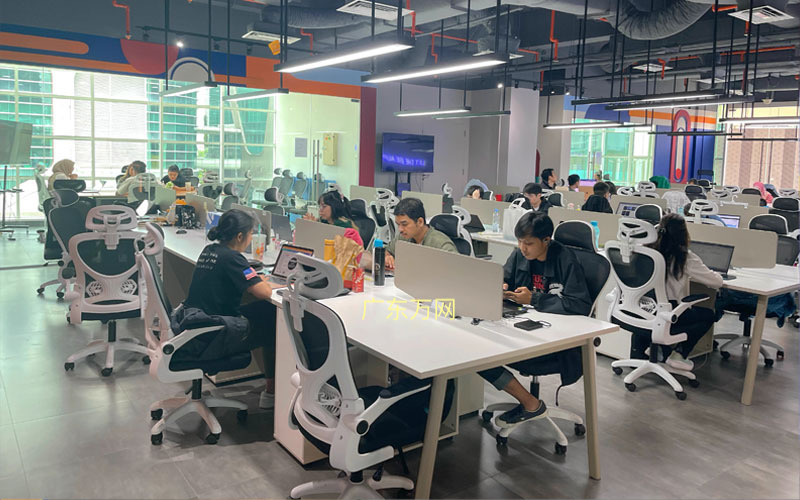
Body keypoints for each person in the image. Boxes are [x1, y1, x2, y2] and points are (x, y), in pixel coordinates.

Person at [478, 212, 592, 427]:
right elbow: (504, 278)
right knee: (475, 349)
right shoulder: (519, 255)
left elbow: (579, 305)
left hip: (556, 345)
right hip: (522, 330)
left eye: (528, 243)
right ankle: (529, 402)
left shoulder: (566, 260)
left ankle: (530, 403)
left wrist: (535, 299)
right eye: (520, 241)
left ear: (546, 240)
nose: (523, 248)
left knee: (480, 355)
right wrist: (500, 286)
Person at [175, 209, 278, 409]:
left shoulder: (210, 250)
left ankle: (271, 390)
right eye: (251, 234)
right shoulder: (233, 258)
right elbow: (264, 292)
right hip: (213, 334)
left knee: (262, 311)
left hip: (196, 325)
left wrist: (255, 279)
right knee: (273, 318)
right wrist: (262, 281)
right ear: (240, 236)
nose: (251, 238)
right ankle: (271, 393)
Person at [628, 213, 722, 370]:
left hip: (643, 308)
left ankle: (649, 351)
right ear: (683, 234)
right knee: (708, 315)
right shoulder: (684, 257)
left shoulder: (646, 251)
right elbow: (716, 282)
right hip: (668, 314)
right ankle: (679, 354)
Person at [384, 197, 456, 270]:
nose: (400, 229)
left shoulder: (441, 244)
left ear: (420, 222)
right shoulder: (403, 237)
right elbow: (386, 250)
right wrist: (387, 257)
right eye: (398, 224)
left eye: (404, 224)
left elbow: (456, 269)